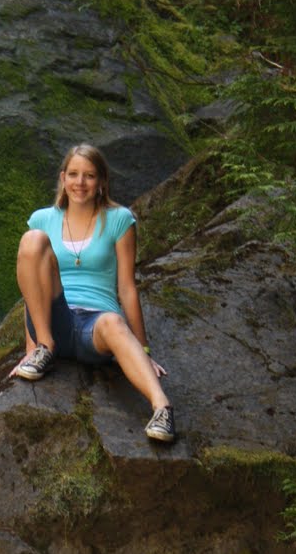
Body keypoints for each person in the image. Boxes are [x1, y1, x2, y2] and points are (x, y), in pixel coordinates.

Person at [9, 143, 176, 443]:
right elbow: (30, 287)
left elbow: (126, 287)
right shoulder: (43, 219)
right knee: (32, 242)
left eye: (89, 176)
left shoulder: (119, 220)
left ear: (101, 182)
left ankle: (161, 409)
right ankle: (43, 350)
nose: (80, 183)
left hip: (94, 328)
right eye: (73, 174)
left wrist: (142, 350)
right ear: (63, 178)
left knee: (113, 322)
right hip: (55, 319)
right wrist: (29, 348)